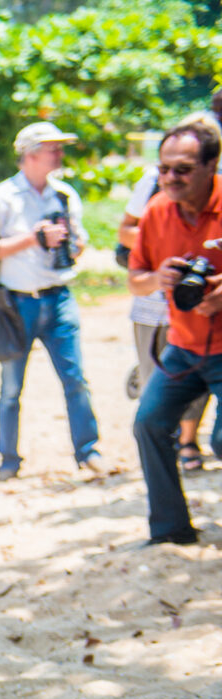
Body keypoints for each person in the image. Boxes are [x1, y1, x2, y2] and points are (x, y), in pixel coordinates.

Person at [0, 121, 100, 477]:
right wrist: (32, 239)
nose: (59, 154)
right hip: (16, 303)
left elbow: (79, 244)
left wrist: (70, 243)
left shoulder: (65, 195)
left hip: (58, 297)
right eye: (52, 148)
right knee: (11, 387)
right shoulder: (0, 197)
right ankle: (8, 459)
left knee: (75, 378)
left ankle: (88, 451)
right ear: (30, 155)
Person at [128, 118, 222, 546]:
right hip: (182, 348)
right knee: (148, 423)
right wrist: (157, 278)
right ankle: (170, 530)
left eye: (182, 169)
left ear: (211, 166)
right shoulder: (156, 212)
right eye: (164, 169)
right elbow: (135, 279)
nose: (169, 178)